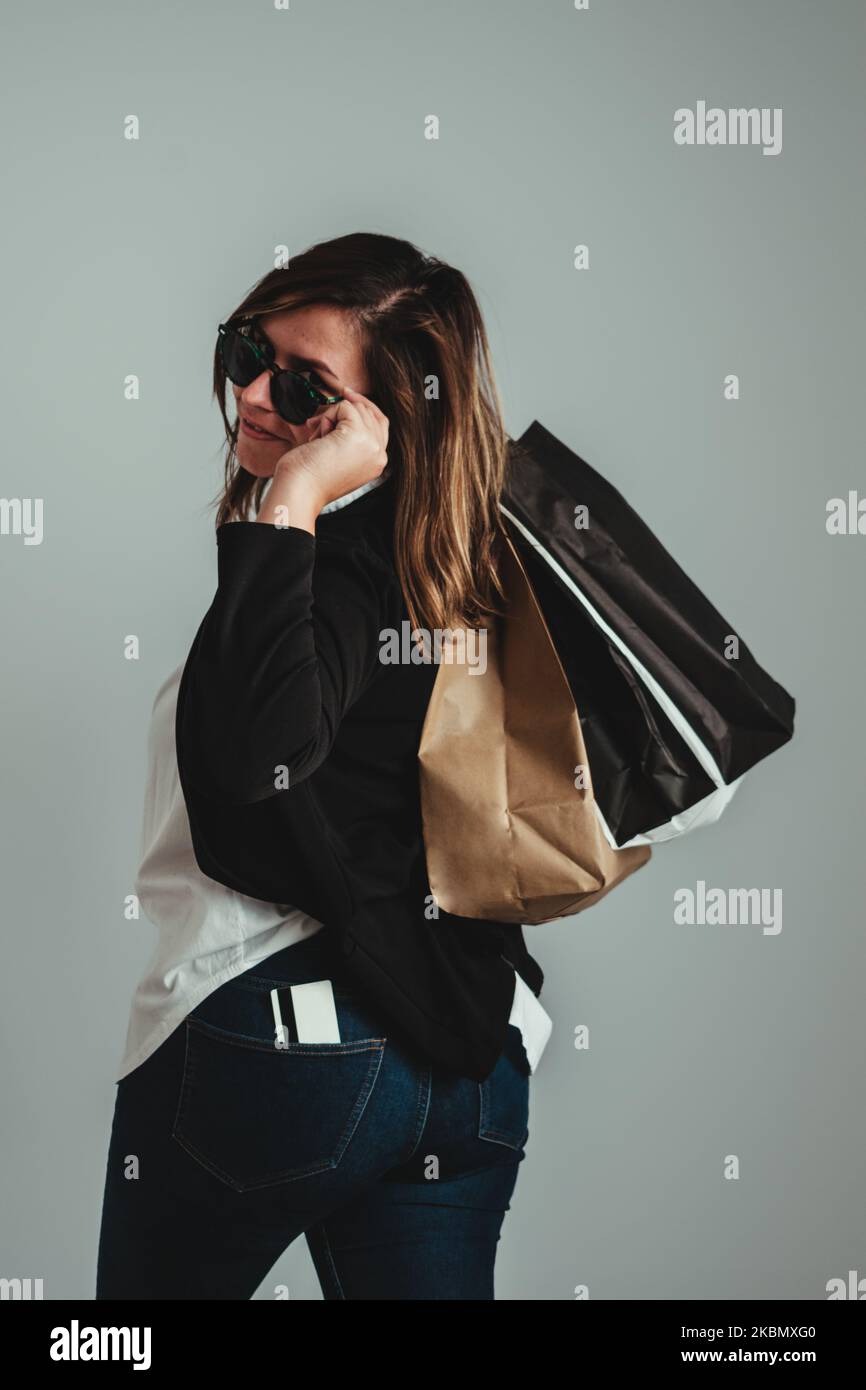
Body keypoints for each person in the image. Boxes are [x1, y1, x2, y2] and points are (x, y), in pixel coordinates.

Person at [95, 231, 553, 1301]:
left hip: (283, 1047)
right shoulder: (442, 560)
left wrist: (294, 495)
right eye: (249, 348)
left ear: (380, 424)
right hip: (467, 1071)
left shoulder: (340, 557)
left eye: (305, 388)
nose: (256, 391)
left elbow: (251, 782)